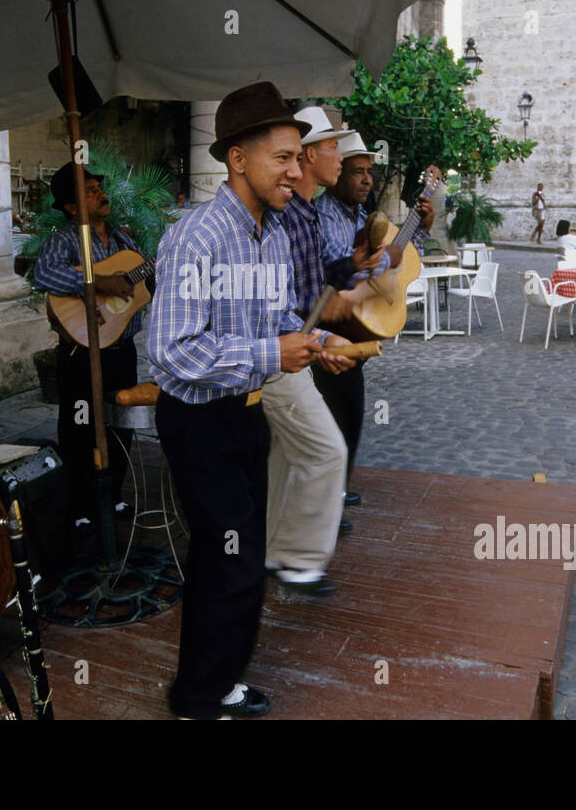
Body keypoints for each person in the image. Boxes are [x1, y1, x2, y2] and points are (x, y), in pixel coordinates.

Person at [148, 81, 347, 720]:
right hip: (198, 422)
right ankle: (199, 697)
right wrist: (272, 355)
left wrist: (314, 339)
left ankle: (217, 680)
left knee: (239, 555)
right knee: (230, 558)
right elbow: (172, 352)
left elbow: (274, 316)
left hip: (247, 411)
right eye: (283, 158)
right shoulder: (195, 237)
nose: (297, 170)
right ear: (238, 158)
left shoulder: (274, 229)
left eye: (299, 157)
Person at [257, 105, 359, 597]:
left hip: (293, 344)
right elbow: (291, 300)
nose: (341, 156)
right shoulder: (287, 215)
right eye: (335, 146)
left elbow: (308, 287)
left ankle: (276, 549)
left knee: (289, 453)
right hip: (281, 351)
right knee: (324, 450)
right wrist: (320, 338)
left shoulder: (302, 213)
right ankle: (299, 560)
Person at [316, 131, 430, 508]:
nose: (367, 180)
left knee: (349, 416)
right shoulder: (326, 214)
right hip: (331, 333)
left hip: (356, 331)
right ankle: (326, 501)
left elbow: (401, 258)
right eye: (357, 172)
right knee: (337, 418)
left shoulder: (362, 216)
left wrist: (421, 231)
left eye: (369, 172)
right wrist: (383, 260)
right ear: (338, 175)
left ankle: (336, 492)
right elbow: (339, 270)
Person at [32, 162, 147, 527]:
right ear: (70, 207)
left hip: (120, 351)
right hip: (80, 354)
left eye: (100, 187)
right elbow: (43, 273)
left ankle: (111, 498)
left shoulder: (125, 242)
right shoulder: (64, 240)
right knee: (80, 427)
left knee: (121, 423)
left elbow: (140, 288)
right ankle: (81, 507)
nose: (101, 194)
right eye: (90, 190)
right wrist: (99, 283)